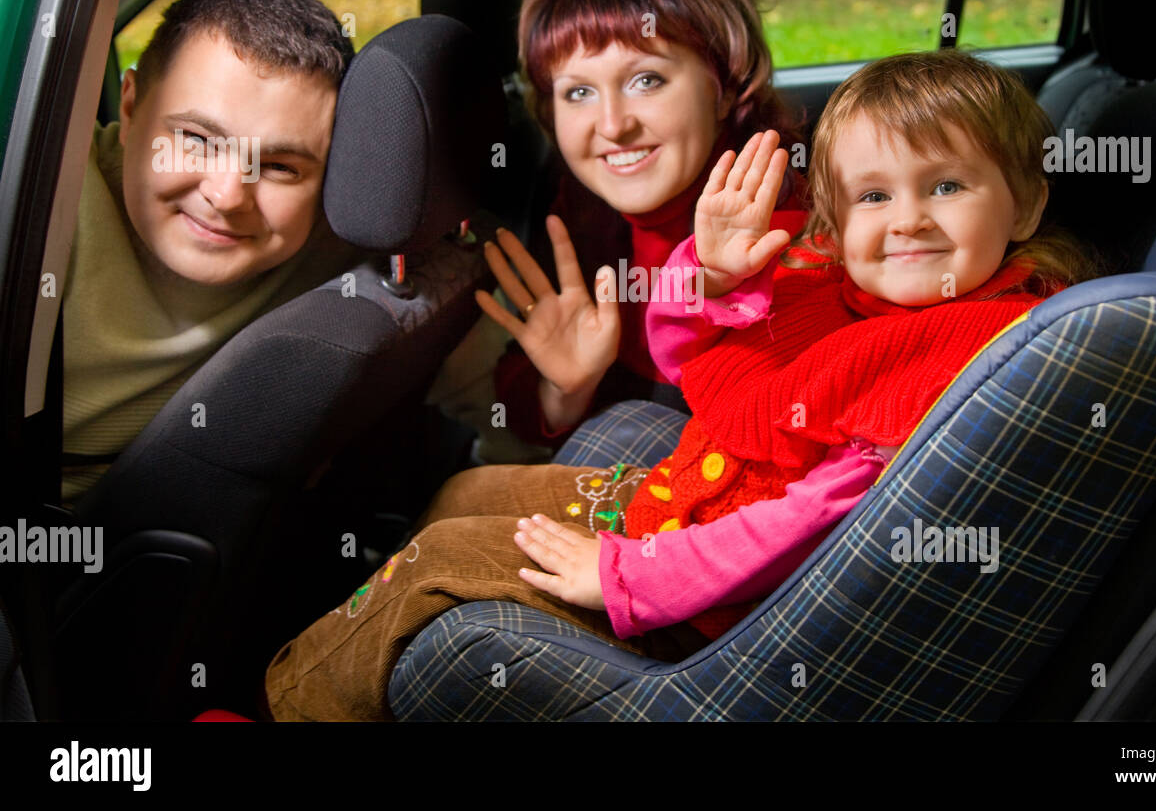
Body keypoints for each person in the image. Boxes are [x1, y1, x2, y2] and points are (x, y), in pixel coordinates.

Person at [263, 50, 1105, 721]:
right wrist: (710, 279)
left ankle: (286, 708)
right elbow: (682, 360)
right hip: (691, 503)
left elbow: (808, 530)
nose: (910, 218)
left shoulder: (959, 353)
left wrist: (626, 577)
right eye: (875, 195)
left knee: (438, 562)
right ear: (837, 220)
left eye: (947, 187)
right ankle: (359, 658)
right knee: (469, 490)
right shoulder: (845, 290)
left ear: (1026, 204)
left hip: (718, 604)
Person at [425, 0, 808, 468]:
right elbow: (541, 405)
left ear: (723, 88)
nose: (612, 125)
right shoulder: (579, 209)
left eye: (646, 80)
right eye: (579, 91)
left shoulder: (786, 227)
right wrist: (567, 389)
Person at [62, 0, 360, 501]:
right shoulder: (38, 191)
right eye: (197, 140)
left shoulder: (349, 249)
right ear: (130, 110)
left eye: (279, 167)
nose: (227, 196)